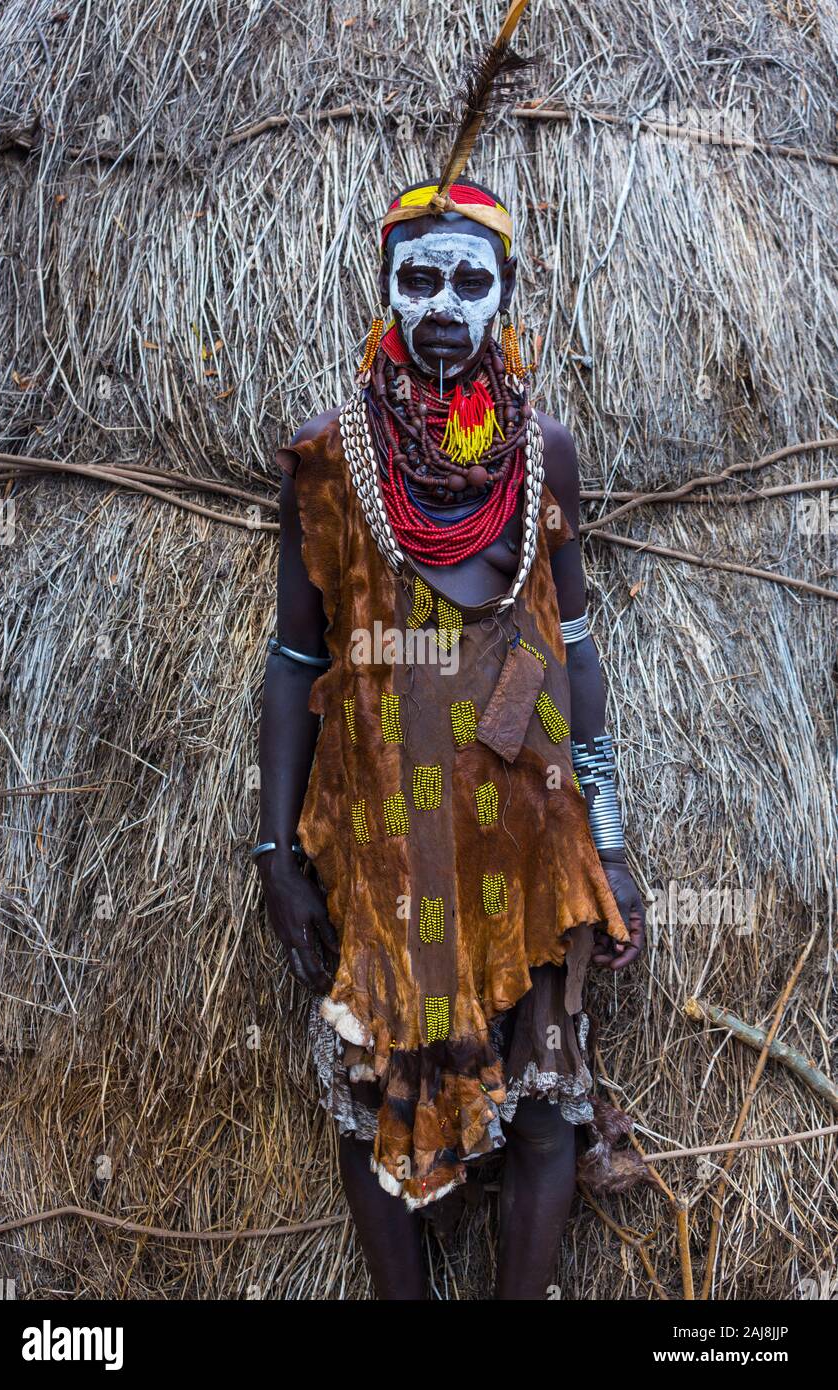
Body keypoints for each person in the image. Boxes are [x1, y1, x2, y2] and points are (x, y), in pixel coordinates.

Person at [256, 3, 646, 1300]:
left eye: (467, 279)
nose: (440, 306)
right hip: (380, 844)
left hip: (520, 839)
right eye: (415, 277)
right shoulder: (325, 462)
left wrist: (613, 832)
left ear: (505, 291)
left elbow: (572, 646)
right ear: (383, 285)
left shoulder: (546, 455)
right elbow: (294, 667)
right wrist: (277, 854)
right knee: (388, 1112)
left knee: (540, 1117)